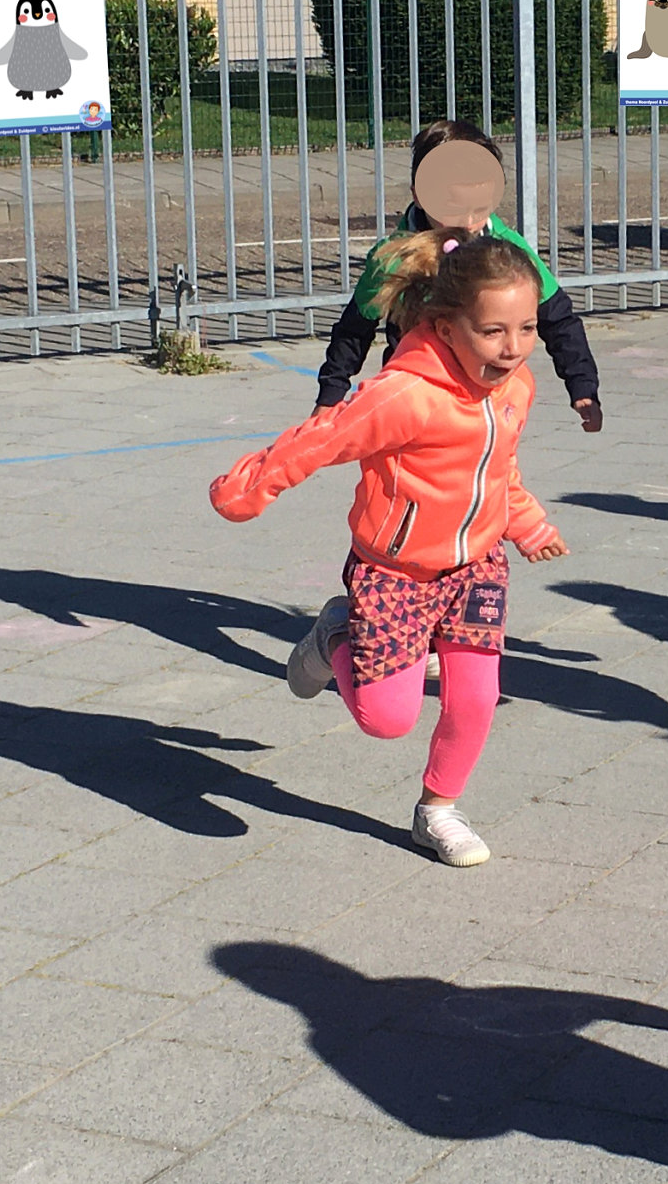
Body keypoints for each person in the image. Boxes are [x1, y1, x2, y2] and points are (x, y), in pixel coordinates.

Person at [212, 231, 569, 867]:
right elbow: (320, 440)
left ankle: (437, 811)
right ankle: (332, 638)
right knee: (387, 719)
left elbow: (497, 469)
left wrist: (528, 521)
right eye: (493, 332)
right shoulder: (405, 394)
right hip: (396, 573)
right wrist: (250, 485)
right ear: (447, 324)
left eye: (526, 327)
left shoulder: (516, 387)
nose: (513, 348)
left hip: (476, 567)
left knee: (477, 697)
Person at [316, 120, 601, 433]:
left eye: (478, 207)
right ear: (420, 196)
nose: (468, 222)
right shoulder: (395, 257)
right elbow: (355, 330)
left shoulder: (507, 249)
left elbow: (558, 320)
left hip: (485, 401)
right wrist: (331, 394)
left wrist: (583, 387)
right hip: (412, 398)